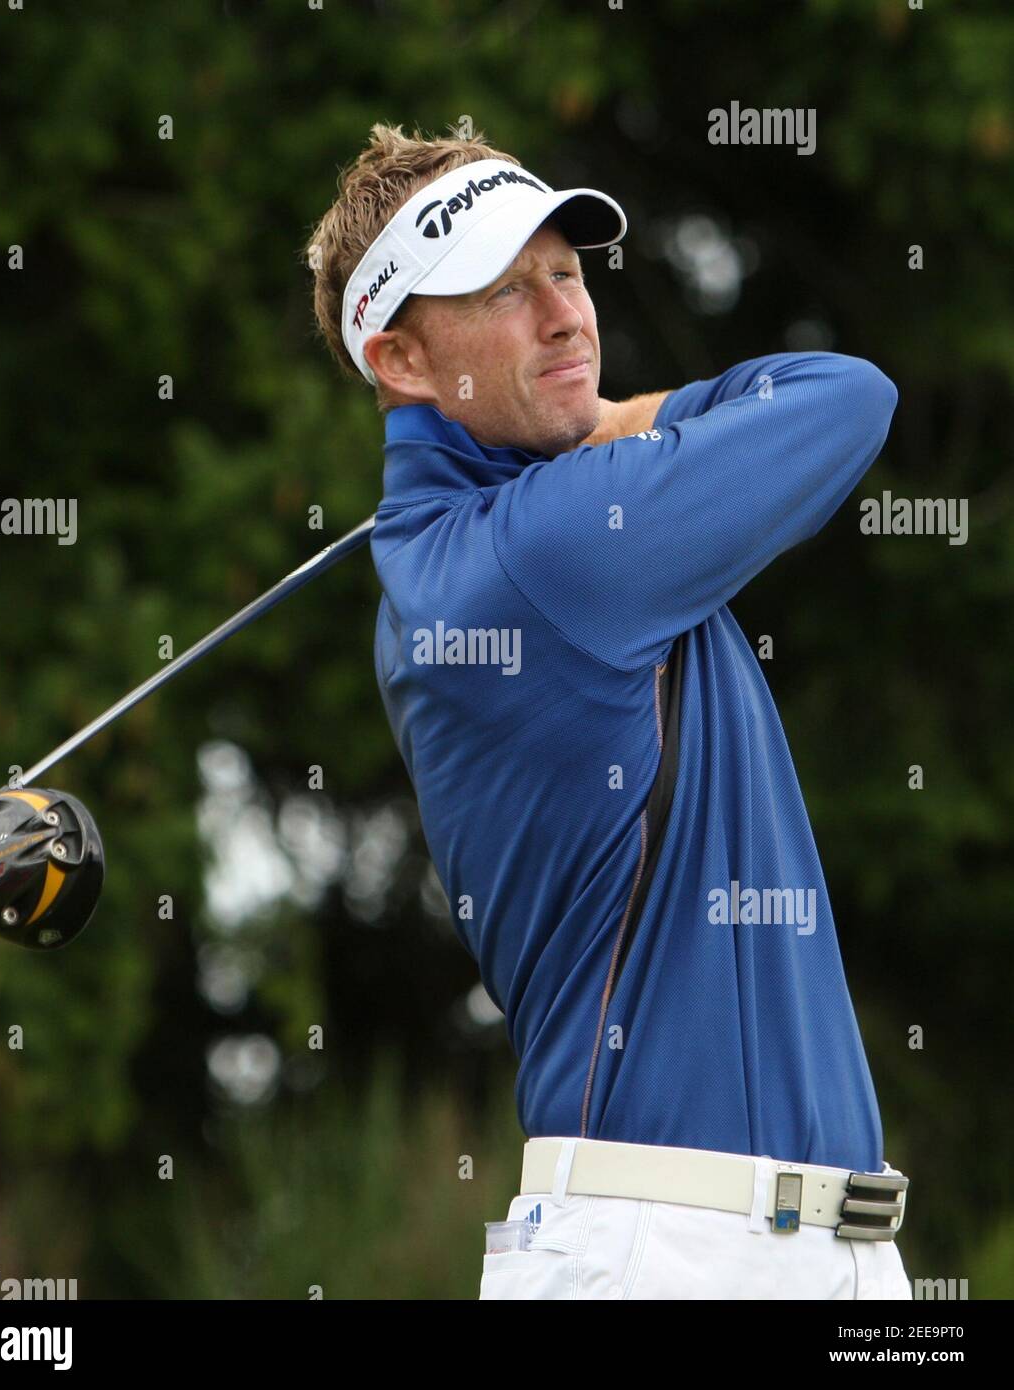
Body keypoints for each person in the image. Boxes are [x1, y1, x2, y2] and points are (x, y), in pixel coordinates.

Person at [304, 123, 913, 1300]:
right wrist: (623, 417)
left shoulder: (490, 549)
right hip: (676, 1251)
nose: (564, 316)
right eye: (503, 289)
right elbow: (844, 397)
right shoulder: (553, 551)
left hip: (797, 1245)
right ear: (404, 362)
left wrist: (595, 425)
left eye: (567, 272)